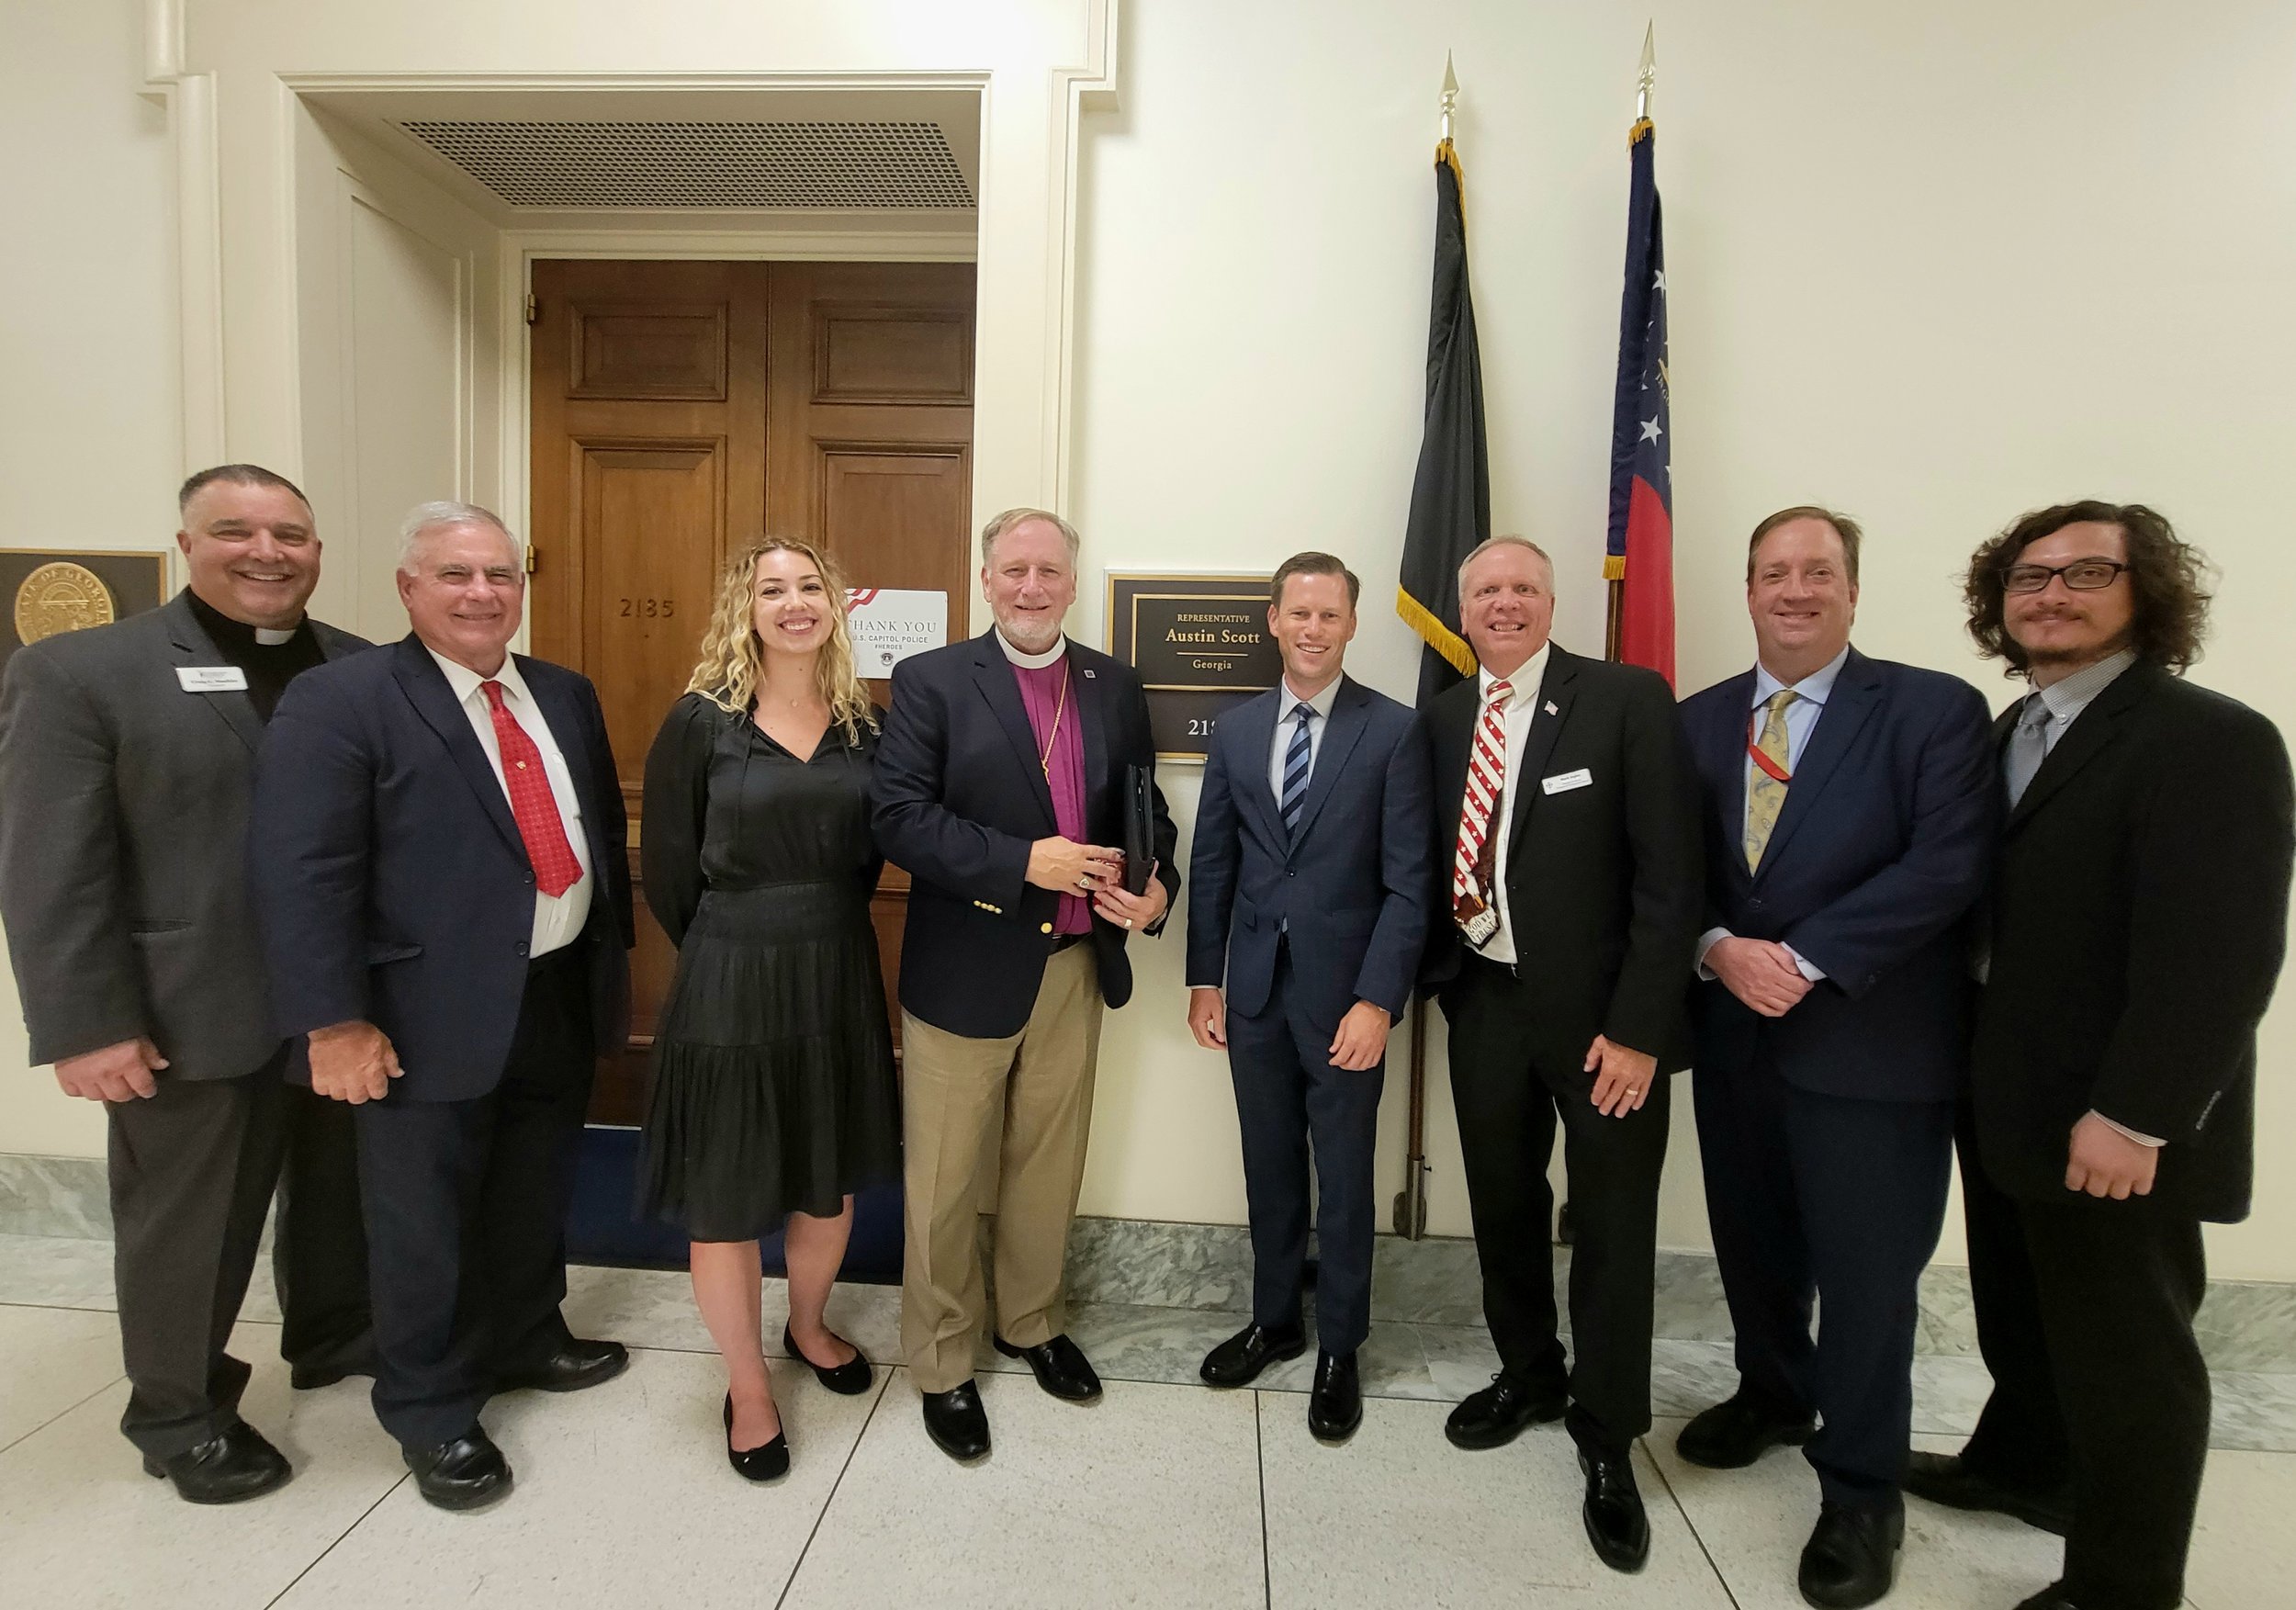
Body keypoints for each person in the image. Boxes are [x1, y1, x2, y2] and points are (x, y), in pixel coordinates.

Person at [1908, 502, 2292, 1610]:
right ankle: (2024, 1462)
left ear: (2147, 594)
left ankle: (2124, 1583)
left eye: (2085, 573)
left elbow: (2221, 956)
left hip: (2111, 1114)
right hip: (2004, 1087)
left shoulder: (2208, 738)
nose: (2051, 595)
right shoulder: (2008, 731)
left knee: (2129, 1352)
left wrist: (2137, 1115)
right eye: (2029, 578)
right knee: (2019, 1304)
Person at [251, 501, 635, 1512]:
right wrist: (333, 1020)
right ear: (408, 586)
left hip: (550, 993)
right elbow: (303, 875)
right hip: (415, 1014)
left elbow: (593, 833)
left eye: (500, 575)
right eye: (456, 575)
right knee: (420, 1222)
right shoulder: (345, 699)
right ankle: (430, 1409)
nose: (481, 593)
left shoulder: (561, 691)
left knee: (530, 1187)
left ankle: (524, 1335)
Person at [0, 465, 373, 1503]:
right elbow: (48, 868)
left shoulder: (358, 666)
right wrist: (86, 1024)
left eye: (291, 534)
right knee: (188, 1228)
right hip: (188, 1008)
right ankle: (178, 1414)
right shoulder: (81, 671)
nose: (267, 552)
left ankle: (336, 1332)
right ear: (185, 542)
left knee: (341, 1195)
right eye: (236, 531)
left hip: (340, 1005)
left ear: (317, 549)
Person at [1673, 508, 1996, 1608]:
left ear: (1852, 590)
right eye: (1774, 572)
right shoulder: (1698, 722)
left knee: (1866, 1280)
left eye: (1818, 572)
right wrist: (1718, 947)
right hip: (1734, 1042)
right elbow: (1674, 871)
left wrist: (1803, 958)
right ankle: (1773, 1393)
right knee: (1753, 1245)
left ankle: (1861, 1492)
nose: (1795, 590)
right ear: (1749, 589)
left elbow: (1947, 866)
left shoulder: (1931, 710)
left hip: (1870, 1048)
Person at [871, 505, 1178, 1463]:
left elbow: (1145, 806)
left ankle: (1031, 1324)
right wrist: (1021, 861)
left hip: (1074, 968)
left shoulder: (1114, 683)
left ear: (1072, 581)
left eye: (1049, 570)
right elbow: (897, 819)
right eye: (1014, 571)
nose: (1032, 587)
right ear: (987, 578)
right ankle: (940, 1361)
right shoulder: (931, 682)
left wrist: (1157, 879)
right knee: (944, 1179)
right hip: (965, 967)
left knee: (1047, 1166)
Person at [1420, 534, 1701, 1574]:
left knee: (1615, 1223)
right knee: (1500, 1202)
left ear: (1551, 600)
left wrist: (1637, 1031)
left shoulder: (1625, 699)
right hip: (1484, 1002)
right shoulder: (1446, 719)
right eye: (1485, 589)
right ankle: (1529, 1372)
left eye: (1522, 587)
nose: (1503, 603)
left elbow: (1672, 882)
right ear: (1464, 606)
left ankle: (1607, 1433)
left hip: (1604, 1024)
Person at [638, 538, 900, 1481]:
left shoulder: (866, 726)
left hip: (834, 962)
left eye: (811, 587)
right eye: (773, 589)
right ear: (743, 609)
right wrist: (736, 934)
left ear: (835, 603)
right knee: (727, 1193)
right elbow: (667, 872)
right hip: (731, 975)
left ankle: (808, 1322)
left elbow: (870, 857)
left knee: (826, 1176)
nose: (795, 603)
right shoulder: (700, 721)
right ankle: (747, 1385)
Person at [1185, 552, 1432, 1443]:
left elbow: (1411, 885)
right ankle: (1275, 1322)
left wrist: (1378, 1001)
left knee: (1344, 1182)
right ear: (1274, 620)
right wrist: (1202, 977)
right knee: (1269, 1168)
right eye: (1299, 613)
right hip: (1250, 991)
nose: (1314, 628)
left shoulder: (1394, 731)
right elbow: (1213, 861)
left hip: (1345, 1001)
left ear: (1351, 624)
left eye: (1330, 614)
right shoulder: (1239, 729)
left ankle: (1340, 1346)